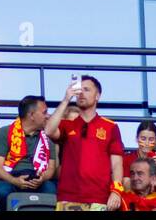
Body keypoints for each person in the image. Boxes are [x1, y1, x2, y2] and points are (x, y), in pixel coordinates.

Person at [44, 76, 124, 210]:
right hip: (67, 198)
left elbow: (116, 163)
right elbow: (48, 130)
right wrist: (66, 99)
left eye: (86, 90)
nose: (81, 93)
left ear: (97, 95)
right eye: (79, 90)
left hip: (98, 198)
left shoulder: (111, 127)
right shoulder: (67, 125)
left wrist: (116, 191)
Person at [0, 95, 58, 207]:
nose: (48, 116)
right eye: (44, 112)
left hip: (37, 179)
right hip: (9, 178)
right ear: (31, 115)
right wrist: (14, 181)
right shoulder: (3, 133)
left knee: (50, 189)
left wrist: (42, 178)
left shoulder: (47, 138)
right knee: (1, 191)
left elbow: (51, 168)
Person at [121, 120, 156, 188]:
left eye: (151, 139)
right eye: (143, 139)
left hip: (155, 194)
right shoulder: (127, 158)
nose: (146, 143)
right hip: (134, 193)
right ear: (136, 139)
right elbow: (126, 184)